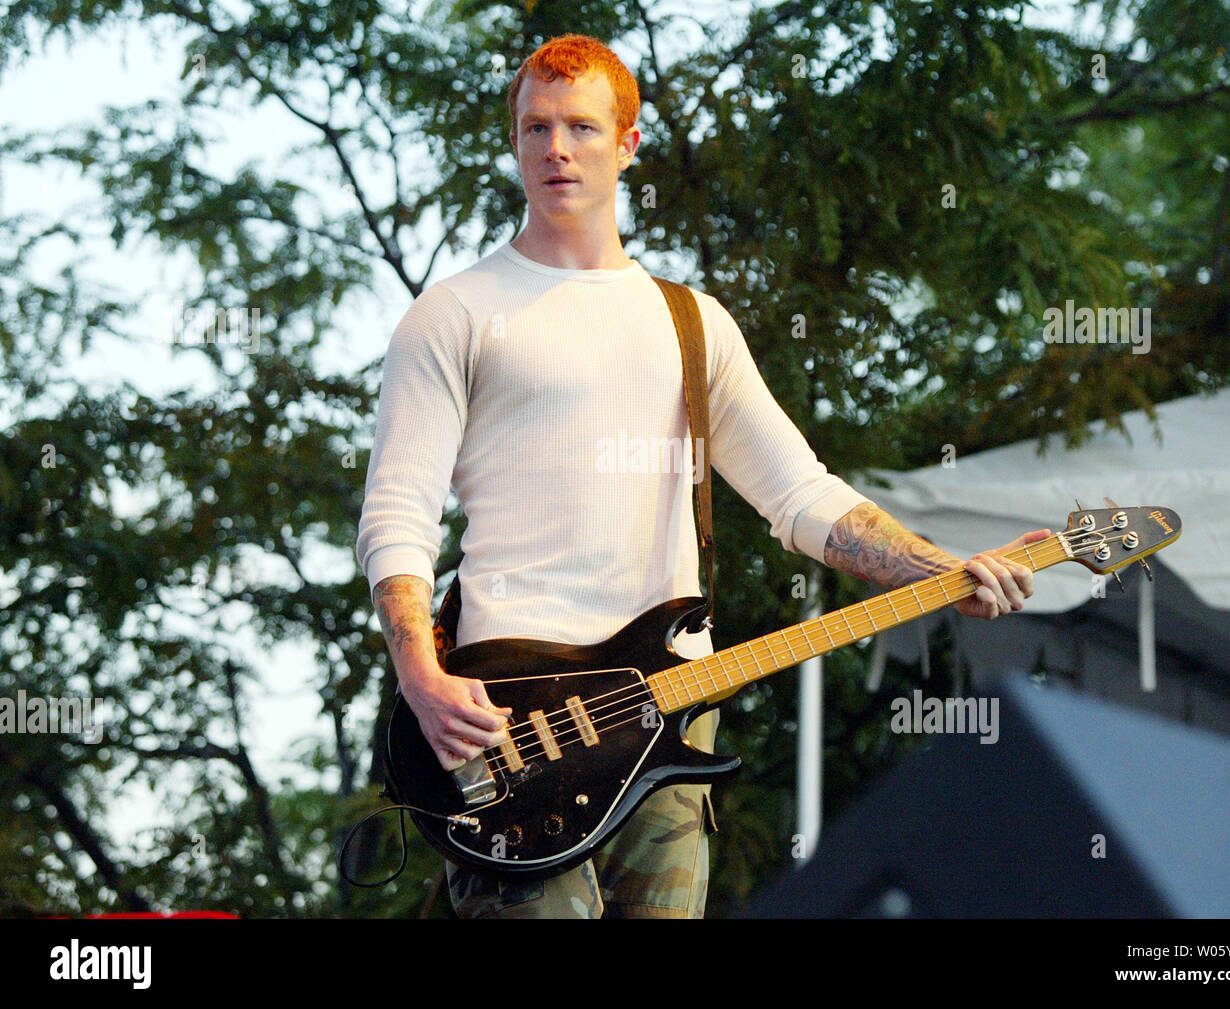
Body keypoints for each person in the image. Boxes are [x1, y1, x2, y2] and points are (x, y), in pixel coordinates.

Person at [355, 33, 1048, 919]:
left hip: (672, 708)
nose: (556, 149)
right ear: (515, 142)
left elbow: (799, 494)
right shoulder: (452, 313)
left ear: (629, 143)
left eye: (581, 127)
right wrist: (418, 668)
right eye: (535, 128)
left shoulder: (693, 324)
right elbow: (397, 515)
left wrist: (939, 569)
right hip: (509, 709)